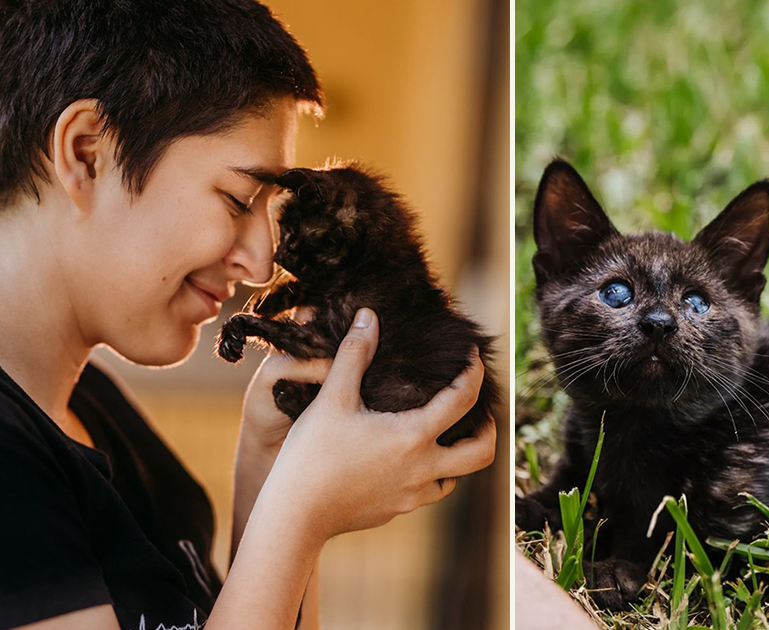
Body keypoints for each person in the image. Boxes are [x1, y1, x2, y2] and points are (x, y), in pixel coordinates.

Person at [0, 1, 497, 629]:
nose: (263, 265)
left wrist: (271, 465)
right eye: (237, 199)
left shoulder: (110, 425)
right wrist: (298, 512)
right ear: (86, 152)